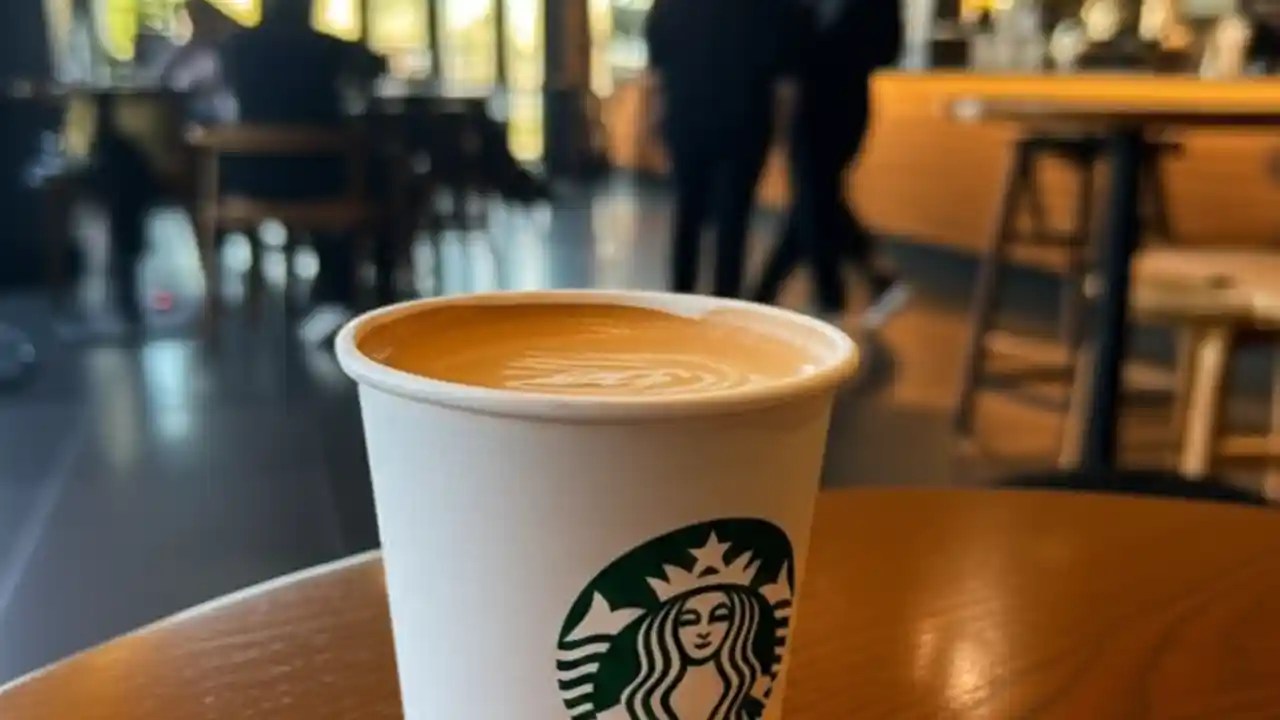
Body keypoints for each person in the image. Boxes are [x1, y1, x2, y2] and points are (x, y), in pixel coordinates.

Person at [219, 0, 386, 330]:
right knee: (380, 177)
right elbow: (376, 65)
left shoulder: (235, 48)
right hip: (320, 178)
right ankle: (360, 291)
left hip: (256, 177)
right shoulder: (327, 48)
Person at [752, 0, 907, 328]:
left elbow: (887, 49)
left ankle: (828, 296)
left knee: (814, 196)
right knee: (812, 200)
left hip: (843, 106)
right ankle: (774, 297)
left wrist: (832, 49)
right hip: (808, 104)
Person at [645, 0, 806, 299]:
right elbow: (785, 77)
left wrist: (655, 114)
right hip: (745, 121)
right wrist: (783, 133)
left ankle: (679, 299)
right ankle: (725, 302)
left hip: (687, 113)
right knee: (734, 219)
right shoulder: (769, 7)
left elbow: (657, 60)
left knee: (688, 213)